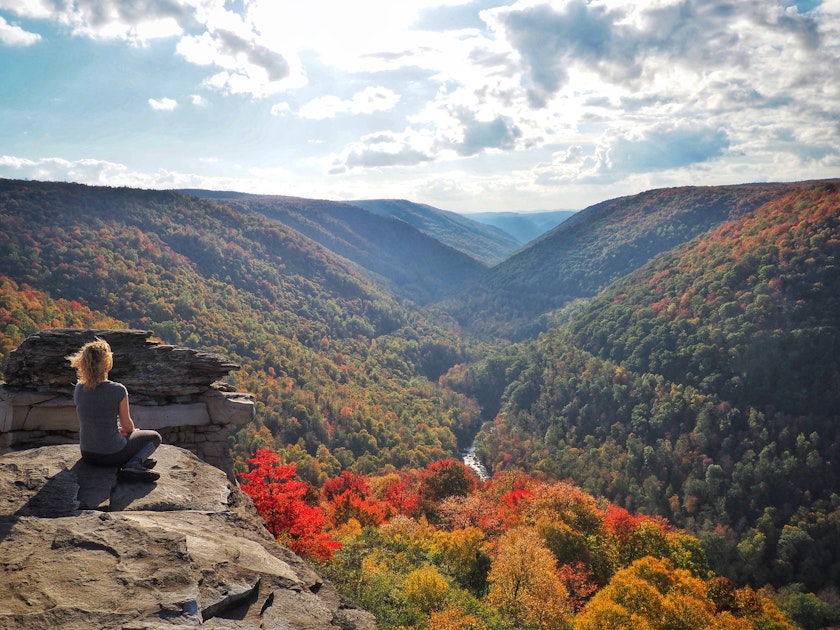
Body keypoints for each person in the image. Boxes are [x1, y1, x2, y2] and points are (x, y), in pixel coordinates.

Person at [68, 338, 161, 482]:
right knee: (154, 437)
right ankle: (133, 465)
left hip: (87, 454)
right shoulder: (118, 390)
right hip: (111, 454)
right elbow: (127, 425)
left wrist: (116, 430)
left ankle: (131, 461)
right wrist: (132, 432)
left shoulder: (79, 388)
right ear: (106, 363)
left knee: (122, 437)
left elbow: (95, 419)